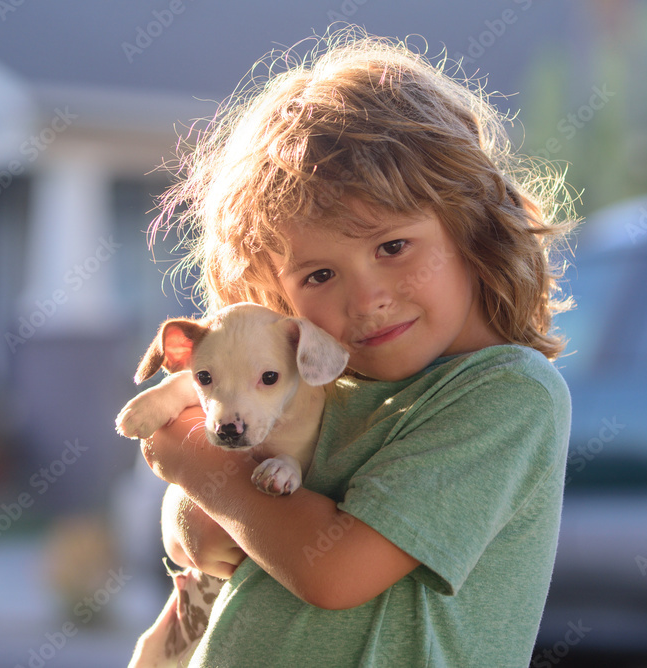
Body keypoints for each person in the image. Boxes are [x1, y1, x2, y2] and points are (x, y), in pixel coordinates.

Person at [137, 28, 577, 667]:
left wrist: (193, 460)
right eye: (320, 274)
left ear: (470, 224)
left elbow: (335, 572)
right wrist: (194, 493)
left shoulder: (507, 394)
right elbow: (200, 546)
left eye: (392, 247)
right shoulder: (311, 387)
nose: (366, 300)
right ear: (276, 292)